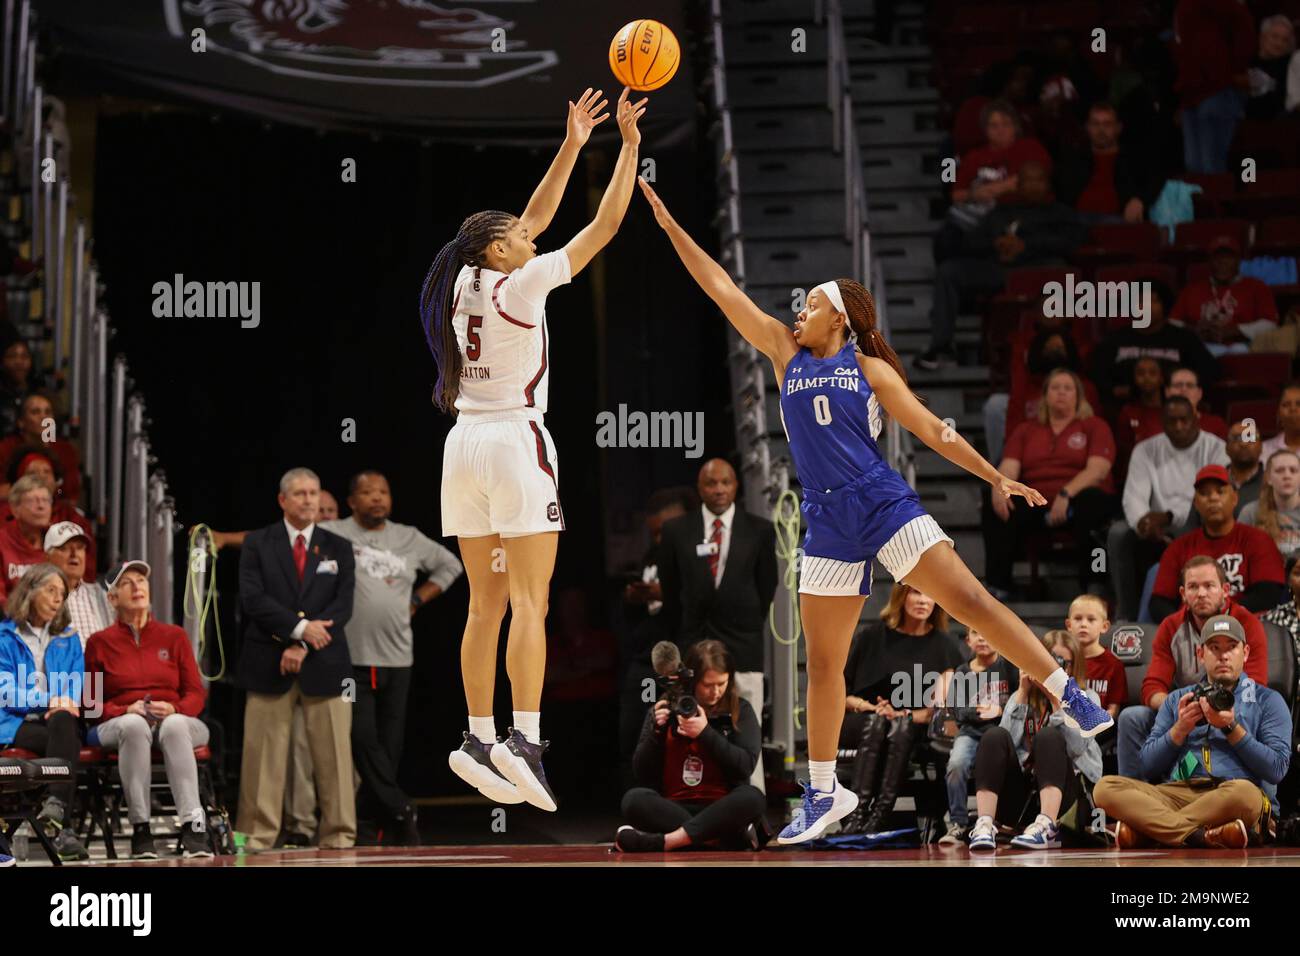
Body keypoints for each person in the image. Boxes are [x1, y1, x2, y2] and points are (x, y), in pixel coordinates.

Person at [638, 177, 1114, 847]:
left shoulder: (871, 369)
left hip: (880, 500)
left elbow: (934, 432)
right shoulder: (784, 354)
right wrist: (668, 224)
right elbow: (721, 287)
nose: (796, 312)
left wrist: (994, 478)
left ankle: (1069, 692)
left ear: (839, 315)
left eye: (809, 304)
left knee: (973, 599)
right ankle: (826, 791)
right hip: (828, 520)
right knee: (823, 665)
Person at [424, 88, 645, 812]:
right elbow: (605, 225)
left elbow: (533, 218)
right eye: (517, 238)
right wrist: (630, 150)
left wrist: (577, 142)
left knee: (483, 608)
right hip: (517, 442)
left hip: (463, 449)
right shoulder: (525, 285)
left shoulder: (463, 281)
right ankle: (526, 740)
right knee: (531, 602)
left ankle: (476, 737)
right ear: (501, 252)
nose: (532, 237)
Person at [320, 470, 464, 845]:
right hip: (351, 660)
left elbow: (452, 565)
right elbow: (282, 541)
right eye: (368, 492)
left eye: (383, 491)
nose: (377, 498)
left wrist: (419, 598)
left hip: (398, 658)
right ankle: (402, 807)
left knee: (390, 747)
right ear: (352, 501)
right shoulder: (337, 533)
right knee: (362, 737)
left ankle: (377, 827)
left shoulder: (408, 537)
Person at [236, 467, 357, 851]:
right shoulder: (258, 543)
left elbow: (343, 606)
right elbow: (253, 601)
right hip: (268, 661)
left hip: (324, 661)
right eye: (301, 494)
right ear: (282, 500)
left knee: (335, 757)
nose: (310, 500)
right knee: (263, 759)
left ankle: (339, 834)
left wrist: (303, 643)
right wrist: (297, 631)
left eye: (314, 493)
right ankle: (256, 834)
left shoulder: (338, 547)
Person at [1095, 615, 1289, 848]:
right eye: (1214, 648)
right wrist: (1180, 729)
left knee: (1246, 795)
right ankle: (1200, 835)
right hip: (1178, 793)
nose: (1223, 655)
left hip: (1230, 792)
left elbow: (1276, 769)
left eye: (1232, 647)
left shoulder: (1267, 700)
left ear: (1245, 653)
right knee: (1105, 788)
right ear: (1200, 654)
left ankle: (1150, 831)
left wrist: (1231, 729)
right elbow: (1147, 766)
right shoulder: (1178, 699)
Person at [657, 458, 777, 790]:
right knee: (687, 727)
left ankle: (750, 804)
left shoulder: (761, 530)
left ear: (736, 486)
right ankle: (689, 798)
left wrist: (744, 620)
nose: (719, 489)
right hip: (692, 646)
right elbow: (670, 592)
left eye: (725, 482)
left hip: (743, 644)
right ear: (700, 488)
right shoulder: (676, 531)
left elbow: (767, 587)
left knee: (746, 727)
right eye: (712, 483)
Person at [83, 561, 213, 859]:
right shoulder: (99, 643)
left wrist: (175, 707)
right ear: (112, 599)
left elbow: (196, 693)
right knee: (134, 725)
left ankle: (194, 826)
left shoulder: (174, 636)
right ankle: (141, 830)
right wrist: (123, 709)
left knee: (176, 725)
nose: (137, 586)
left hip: (175, 722)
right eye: (126, 582)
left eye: (141, 580)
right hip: (121, 724)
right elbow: (90, 704)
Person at [918, 161, 1085, 370]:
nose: (1032, 186)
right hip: (999, 271)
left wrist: (1027, 245)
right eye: (1026, 181)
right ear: (1018, 185)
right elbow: (971, 242)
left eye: (1038, 180)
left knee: (1062, 272)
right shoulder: (1001, 212)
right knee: (948, 271)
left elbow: (1071, 242)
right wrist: (996, 243)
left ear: (1048, 184)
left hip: (1038, 274)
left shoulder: (1060, 213)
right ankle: (941, 347)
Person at [1117, 555, 1269, 779]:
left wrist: (1218, 710)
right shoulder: (1170, 626)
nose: (1201, 594)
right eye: (1193, 587)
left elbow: (1255, 685)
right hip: (1185, 713)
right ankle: (1132, 797)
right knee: (1132, 717)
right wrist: (1177, 708)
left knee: (1257, 714)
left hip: (1234, 710)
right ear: (1183, 594)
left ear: (1225, 589)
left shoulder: (1246, 624)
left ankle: (1251, 795)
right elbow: (1152, 687)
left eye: (1209, 586)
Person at [838, 584, 967, 835]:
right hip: (865, 718)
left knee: (900, 726)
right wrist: (871, 708)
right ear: (901, 597)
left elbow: (944, 710)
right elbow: (841, 694)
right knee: (877, 725)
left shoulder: (945, 646)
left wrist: (903, 714)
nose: (922, 600)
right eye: (915, 592)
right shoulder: (871, 637)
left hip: (916, 726)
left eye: (928, 593)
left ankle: (880, 814)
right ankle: (859, 812)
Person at [614, 640, 766, 852]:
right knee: (633, 799)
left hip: (721, 807)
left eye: (721, 684)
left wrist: (705, 733)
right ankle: (720, 839)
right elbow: (642, 773)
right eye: (708, 685)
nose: (715, 692)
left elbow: (744, 767)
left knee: (753, 797)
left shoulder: (741, 710)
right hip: (675, 807)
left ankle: (666, 842)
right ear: (693, 682)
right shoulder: (666, 706)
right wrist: (656, 732)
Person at [981, 368, 1117, 600]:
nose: (1061, 393)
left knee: (1092, 503)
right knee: (994, 499)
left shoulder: (1094, 426)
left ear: (1079, 396)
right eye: (1055, 388)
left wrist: (1066, 495)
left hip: (1078, 498)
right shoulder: (1026, 430)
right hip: (1037, 499)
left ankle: (1094, 583)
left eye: (1067, 388)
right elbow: (1009, 468)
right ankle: (999, 586)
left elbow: (1098, 470)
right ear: (1044, 396)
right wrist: (999, 487)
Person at [967, 630, 1103, 851]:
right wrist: (1022, 692)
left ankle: (1046, 826)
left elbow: (1077, 747)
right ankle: (985, 824)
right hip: (1025, 796)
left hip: (1068, 798)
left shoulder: (1088, 698)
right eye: (1049, 663)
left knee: (1048, 736)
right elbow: (1003, 747)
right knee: (993, 735)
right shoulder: (1023, 695)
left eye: (1063, 664)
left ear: (1073, 666)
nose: (1056, 670)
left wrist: (1056, 701)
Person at [1108, 396, 1229, 619]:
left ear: (1196, 418)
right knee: (1118, 534)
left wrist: (1169, 516)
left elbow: (1213, 497)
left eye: (1184, 420)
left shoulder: (1216, 448)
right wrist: (1143, 522)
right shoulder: (1146, 449)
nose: (1178, 426)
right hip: (1154, 528)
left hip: (1197, 523)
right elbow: (1133, 497)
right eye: (1171, 421)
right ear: (1162, 422)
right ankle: (1125, 615)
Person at [0, 563, 88, 860]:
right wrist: (50, 700)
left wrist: (64, 703)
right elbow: (5, 692)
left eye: (62, 594)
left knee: (65, 720)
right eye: (50, 590)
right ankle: (62, 828)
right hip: (13, 722)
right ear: (29, 590)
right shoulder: (4, 636)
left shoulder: (69, 637)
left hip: (55, 722)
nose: (57, 599)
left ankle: (55, 806)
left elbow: (76, 684)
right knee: (67, 736)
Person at [1148, 464, 1287, 621]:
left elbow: (1268, 594)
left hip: (1241, 628)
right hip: (1190, 630)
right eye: (1204, 494)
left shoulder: (1258, 540)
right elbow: (1159, 601)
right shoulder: (1179, 547)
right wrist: (1187, 624)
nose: (1213, 498)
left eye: (1220, 492)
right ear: (1196, 504)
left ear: (1234, 498)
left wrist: (1221, 617)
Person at [619, 486, 694, 767]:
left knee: (678, 735)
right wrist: (632, 597)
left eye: (666, 531)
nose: (661, 539)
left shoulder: (694, 557)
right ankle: (637, 799)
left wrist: (666, 593)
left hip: (682, 657)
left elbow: (703, 600)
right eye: (655, 533)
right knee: (633, 733)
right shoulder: (651, 556)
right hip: (644, 658)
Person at [938, 626, 1018, 844]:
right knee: (956, 764)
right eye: (976, 632)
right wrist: (984, 711)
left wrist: (1000, 710)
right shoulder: (962, 672)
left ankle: (1004, 821)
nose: (983, 637)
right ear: (968, 641)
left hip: (1003, 734)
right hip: (970, 734)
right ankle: (958, 823)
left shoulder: (1008, 667)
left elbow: (1019, 700)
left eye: (988, 632)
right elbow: (958, 712)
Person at [1088, 281, 1217, 412]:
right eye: (1139, 300)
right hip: (1125, 408)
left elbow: (1208, 371)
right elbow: (1096, 375)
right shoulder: (1114, 339)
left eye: (1153, 301)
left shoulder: (1184, 338)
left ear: (1164, 306)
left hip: (1176, 407)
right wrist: (1114, 390)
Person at [1172, 0, 1254, 175]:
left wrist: (1233, 73)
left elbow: (1244, 32)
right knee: (1193, 166)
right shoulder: (1184, 6)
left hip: (1218, 90)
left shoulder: (1224, 5)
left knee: (1211, 165)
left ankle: (1217, 202)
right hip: (1191, 94)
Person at [1169, 235, 1278, 356]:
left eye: (1228, 257)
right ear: (1209, 262)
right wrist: (1193, 330)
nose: (1222, 262)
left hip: (1242, 348)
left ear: (1238, 261)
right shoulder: (1192, 289)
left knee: (1238, 350)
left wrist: (1235, 330)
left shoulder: (1256, 287)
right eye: (1217, 258)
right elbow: (1172, 323)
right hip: (1202, 347)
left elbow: (1270, 325)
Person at [1, 445, 97, 580]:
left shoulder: (73, 518)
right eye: (32, 473)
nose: (41, 477)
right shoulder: (4, 526)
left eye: (47, 472)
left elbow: (84, 575)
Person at [1053, 102, 1158, 223]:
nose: (1101, 130)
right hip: (1076, 221)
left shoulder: (1133, 159)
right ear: (1087, 127)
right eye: (1095, 124)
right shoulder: (1073, 158)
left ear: (1118, 128)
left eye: (1107, 124)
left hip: (1117, 221)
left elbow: (1155, 180)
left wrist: (1140, 200)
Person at [0, 393, 82, 504]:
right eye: (35, 412)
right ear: (21, 422)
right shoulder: (5, 448)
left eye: (48, 412)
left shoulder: (65, 450)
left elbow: (71, 498)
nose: (43, 417)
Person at [44, 520, 111, 645]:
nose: (74, 554)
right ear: (47, 557)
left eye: (80, 548)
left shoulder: (100, 595)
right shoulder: (37, 596)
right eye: (65, 548)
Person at [1066, 594, 1127, 719]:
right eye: (1078, 618)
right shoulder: (1064, 660)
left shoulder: (1114, 664)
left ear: (1104, 626)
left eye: (1091, 619)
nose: (1083, 624)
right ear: (1069, 625)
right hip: (1068, 724)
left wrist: (1094, 725)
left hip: (1100, 728)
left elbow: (1113, 709)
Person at [0, 474, 53, 611]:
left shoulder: (58, 542)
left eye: (45, 500)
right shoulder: (2, 541)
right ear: (15, 509)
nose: (41, 506)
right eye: (33, 501)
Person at [1239, 450, 1300, 560]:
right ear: (1268, 478)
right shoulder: (1250, 512)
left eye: (1293, 470)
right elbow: (1239, 554)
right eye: (1280, 471)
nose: (1287, 475)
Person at [1245, 15, 1297, 120]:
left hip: (1280, 124)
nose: (1279, 43)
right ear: (1262, 37)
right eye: (1274, 36)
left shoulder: (1290, 66)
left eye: (1285, 40)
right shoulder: (1246, 61)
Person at [1227, 419, 1264, 515]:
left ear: (1261, 447)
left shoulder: (1272, 483)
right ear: (1226, 448)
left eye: (1250, 438)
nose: (1244, 444)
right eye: (1237, 438)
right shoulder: (1213, 481)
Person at [1261, 381, 1300, 460]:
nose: (1293, 409)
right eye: (1286, 404)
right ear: (1278, 414)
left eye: (1299, 404)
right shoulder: (1263, 451)